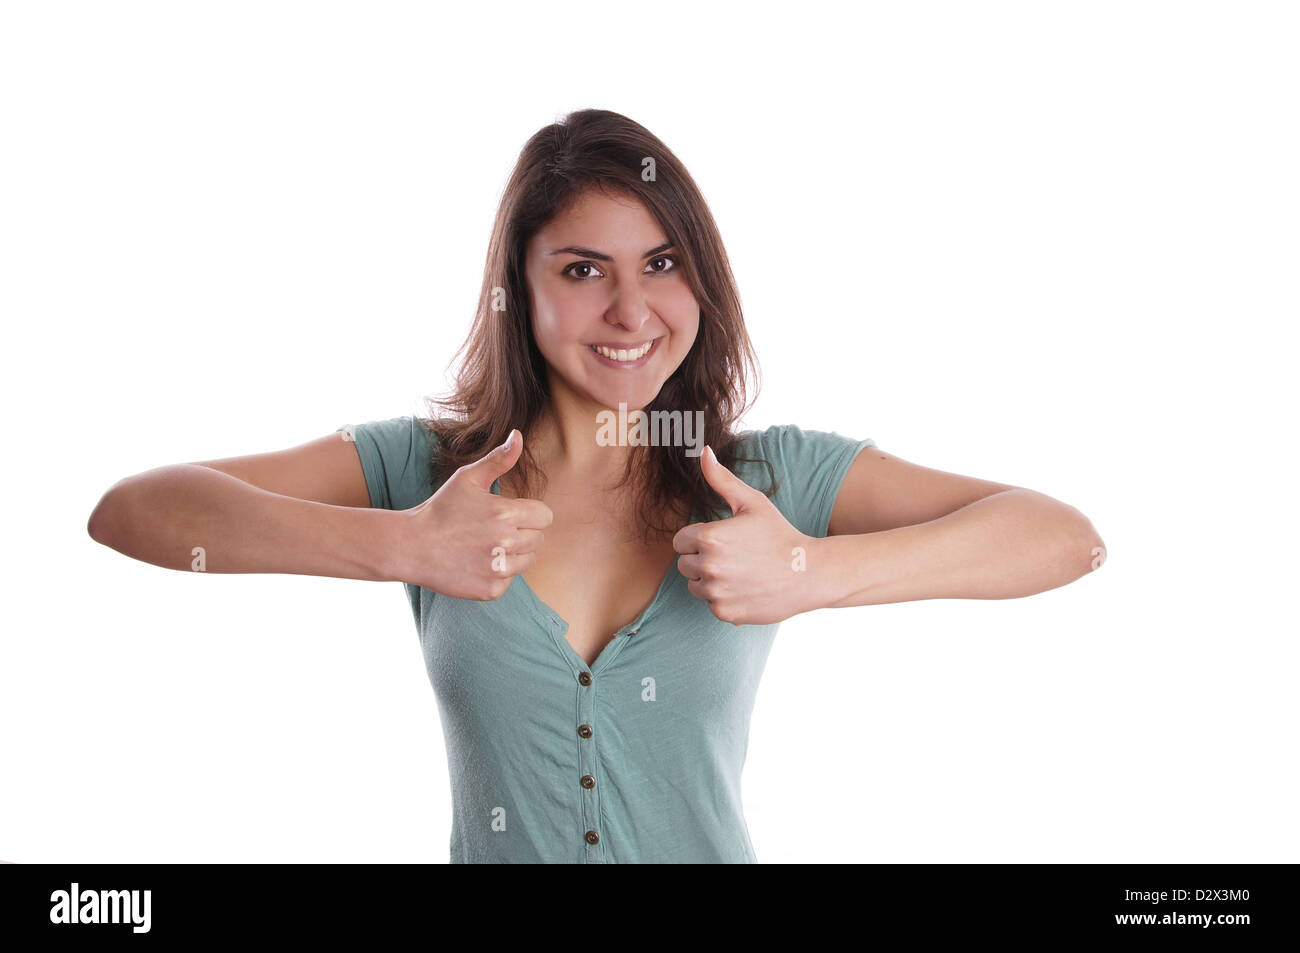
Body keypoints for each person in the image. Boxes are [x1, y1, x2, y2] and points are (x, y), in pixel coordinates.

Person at [87, 108, 1105, 863]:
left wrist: (812, 565)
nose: (631, 309)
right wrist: (398, 545)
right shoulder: (428, 470)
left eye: (661, 262)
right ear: (518, 290)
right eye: (581, 270)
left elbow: (1061, 537)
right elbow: (136, 510)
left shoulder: (769, 474)